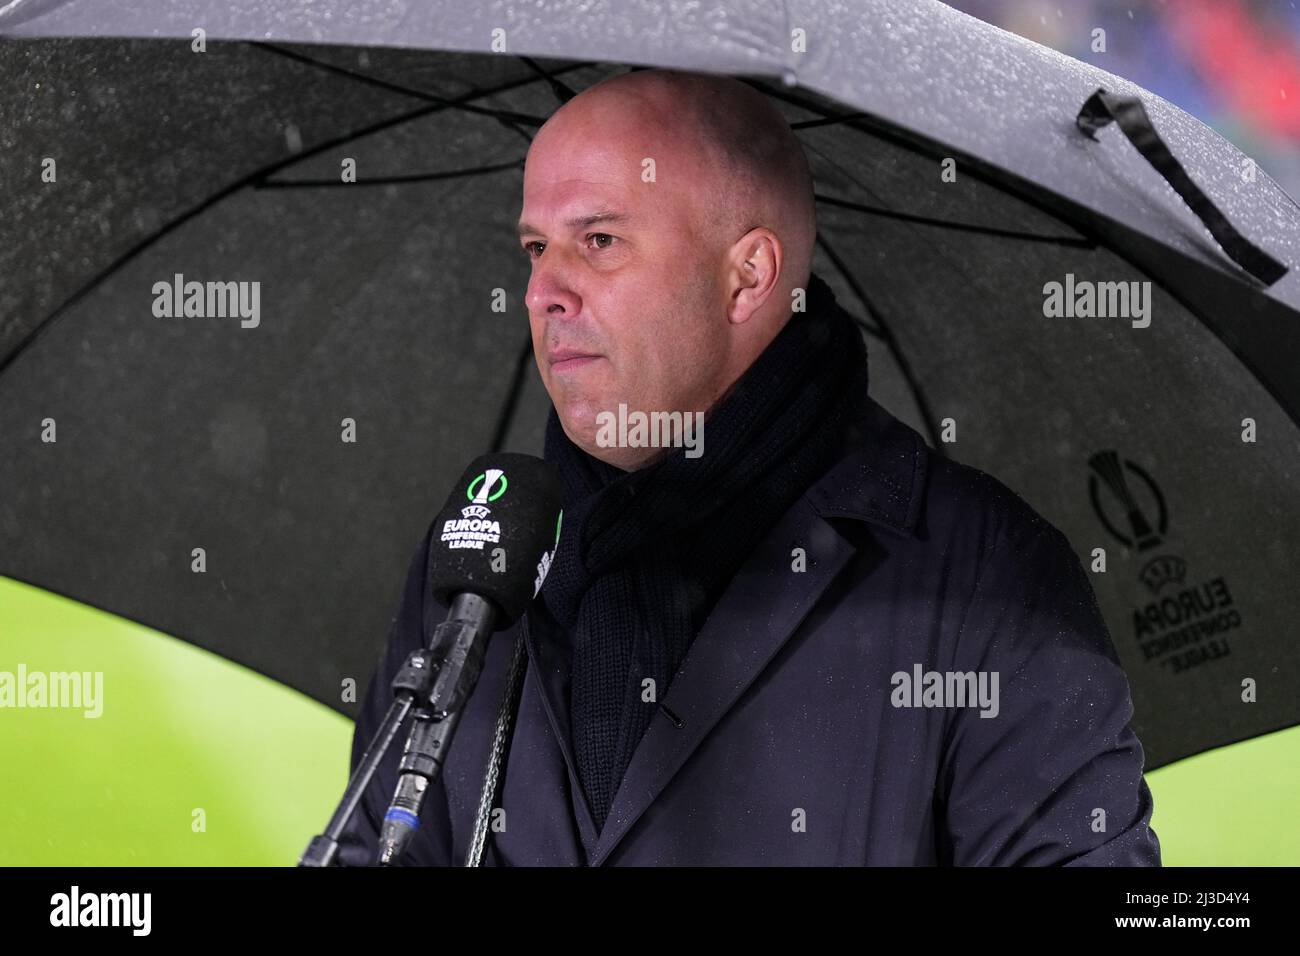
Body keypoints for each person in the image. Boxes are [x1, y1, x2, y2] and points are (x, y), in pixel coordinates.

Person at [337, 68, 1160, 866]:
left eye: (598, 241)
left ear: (748, 276)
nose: (542, 290)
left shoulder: (987, 576)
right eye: (534, 247)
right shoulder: (482, 562)